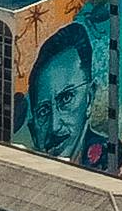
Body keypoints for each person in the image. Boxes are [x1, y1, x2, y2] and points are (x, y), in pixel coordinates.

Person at [20, 18, 97, 160]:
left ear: (89, 97)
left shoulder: (113, 158)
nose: (54, 126)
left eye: (66, 98)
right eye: (43, 111)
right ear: (33, 129)